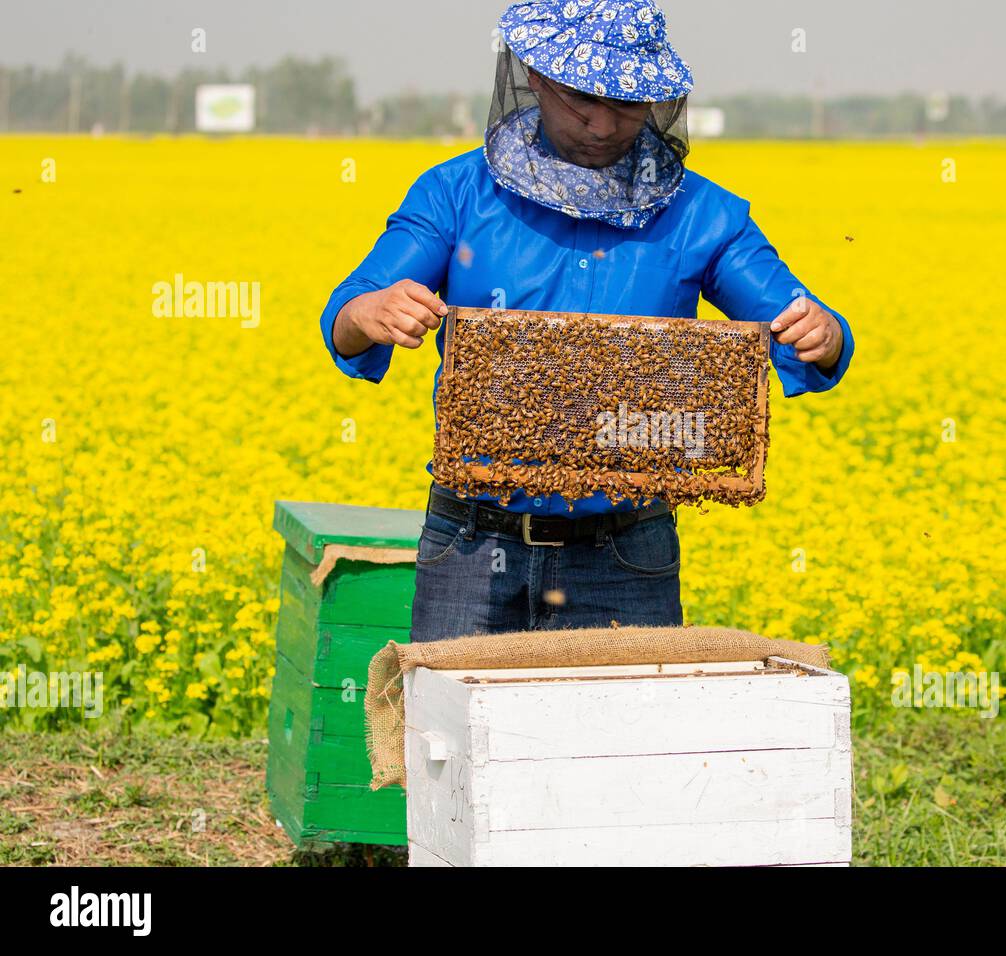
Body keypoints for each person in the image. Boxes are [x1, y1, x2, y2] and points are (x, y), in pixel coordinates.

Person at [319, 0, 855, 642]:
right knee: (451, 737)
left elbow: (803, 324)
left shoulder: (703, 215)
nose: (603, 124)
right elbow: (347, 315)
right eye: (582, 99)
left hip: (625, 550)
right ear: (538, 78)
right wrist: (369, 311)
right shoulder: (454, 193)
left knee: (618, 741)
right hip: (470, 544)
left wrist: (821, 335)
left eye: (627, 103)